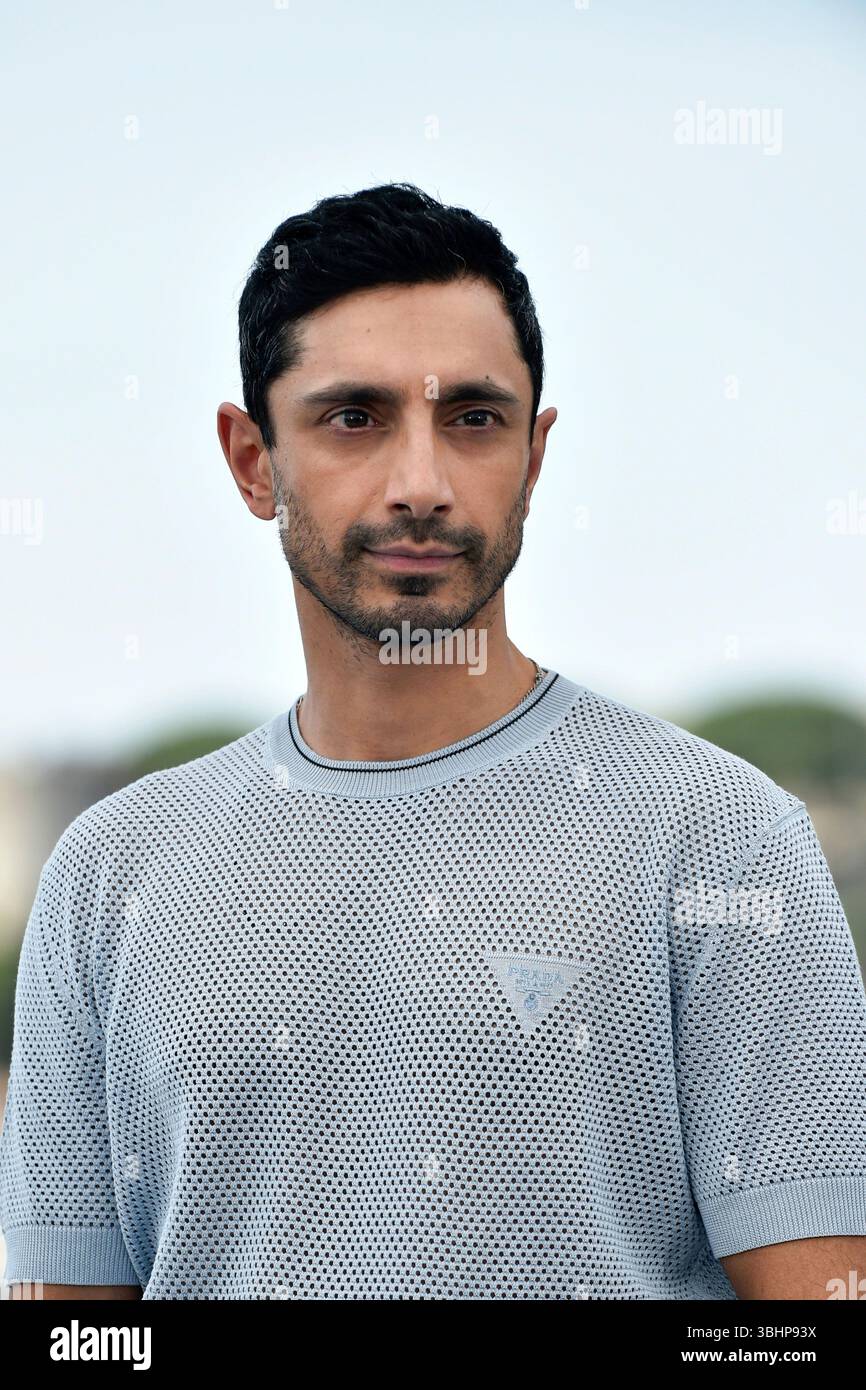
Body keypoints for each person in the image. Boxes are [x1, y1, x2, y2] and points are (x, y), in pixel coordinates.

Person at [2, 183, 866, 1300]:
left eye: (472, 417)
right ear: (251, 459)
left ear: (534, 454)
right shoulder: (106, 876)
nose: (421, 484)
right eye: (353, 417)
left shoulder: (721, 838)